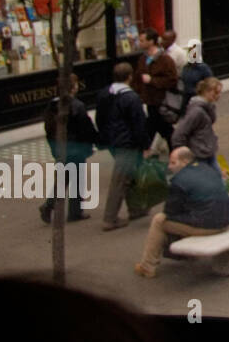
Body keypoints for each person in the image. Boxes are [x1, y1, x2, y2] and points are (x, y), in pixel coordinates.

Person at [134, 146, 229, 278]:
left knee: (159, 220)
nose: (169, 166)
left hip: (210, 225)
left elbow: (170, 212)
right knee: (189, 214)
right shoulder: (207, 169)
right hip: (227, 218)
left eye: (173, 162)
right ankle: (181, 255)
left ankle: (147, 266)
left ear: (185, 162)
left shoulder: (179, 181)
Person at [97, 62, 152, 231]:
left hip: (113, 140)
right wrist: (145, 145)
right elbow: (139, 124)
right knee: (120, 179)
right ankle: (110, 218)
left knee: (131, 174)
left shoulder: (104, 93)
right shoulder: (131, 98)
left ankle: (137, 208)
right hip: (127, 142)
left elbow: (100, 119)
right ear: (130, 76)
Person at [39, 74, 99, 224]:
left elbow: (48, 128)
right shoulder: (77, 106)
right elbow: (86, 128)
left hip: (60, 148)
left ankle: (49, 205)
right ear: (74, 87)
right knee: (77, 178)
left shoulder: (52, 106)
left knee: (64, 177)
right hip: (75, 147)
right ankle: (74, 211)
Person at [131, 28, 179, 146]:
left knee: (159, 128)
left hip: (162, 101)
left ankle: (175, 150)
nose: (139, 43)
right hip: (149, 100)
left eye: (142, 40)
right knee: (158, 127)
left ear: (151, 41)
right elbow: (138, 78)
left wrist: (152, 80)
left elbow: (172, 80)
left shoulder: (165, 60)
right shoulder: (142, 59)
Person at [172, 77, 222, 168]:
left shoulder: (208, 107)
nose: (219, 95)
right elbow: (179, 133)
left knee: (221, 178)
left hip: (207, 150)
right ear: (208, 91)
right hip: (199, 153)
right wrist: (184, 153)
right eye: (216, 92)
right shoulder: (196, 111)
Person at [178, 39, 213, 114]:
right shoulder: (186, 67)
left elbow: (210, 84)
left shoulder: (203, 68)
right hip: (186, 100)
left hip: (198, 101)